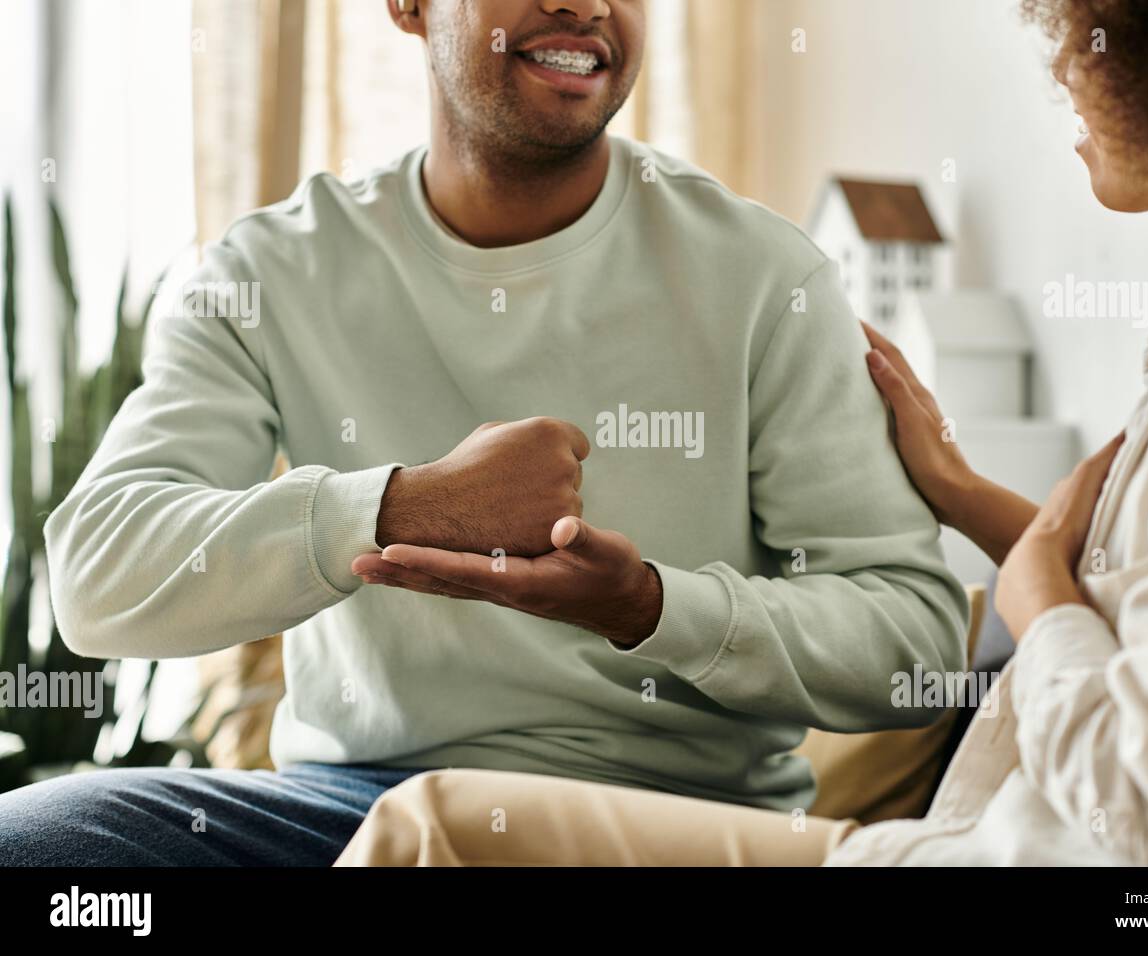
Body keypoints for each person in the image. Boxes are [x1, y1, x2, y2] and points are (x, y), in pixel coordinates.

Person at [335, 0, 1148, 867]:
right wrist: (967, 498)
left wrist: (1039, 601)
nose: (1067, 68)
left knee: (432, 832)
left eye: (1102, 36)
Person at [0, 0, 966, 866]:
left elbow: (915, 649)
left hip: (667, 822)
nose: (583, 6)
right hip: (353, 810)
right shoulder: (267, 273)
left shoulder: (766, 277)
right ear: (408, 7)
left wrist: (651, 607)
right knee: (37, 847)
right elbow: (96, 578)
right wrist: (399, 509)